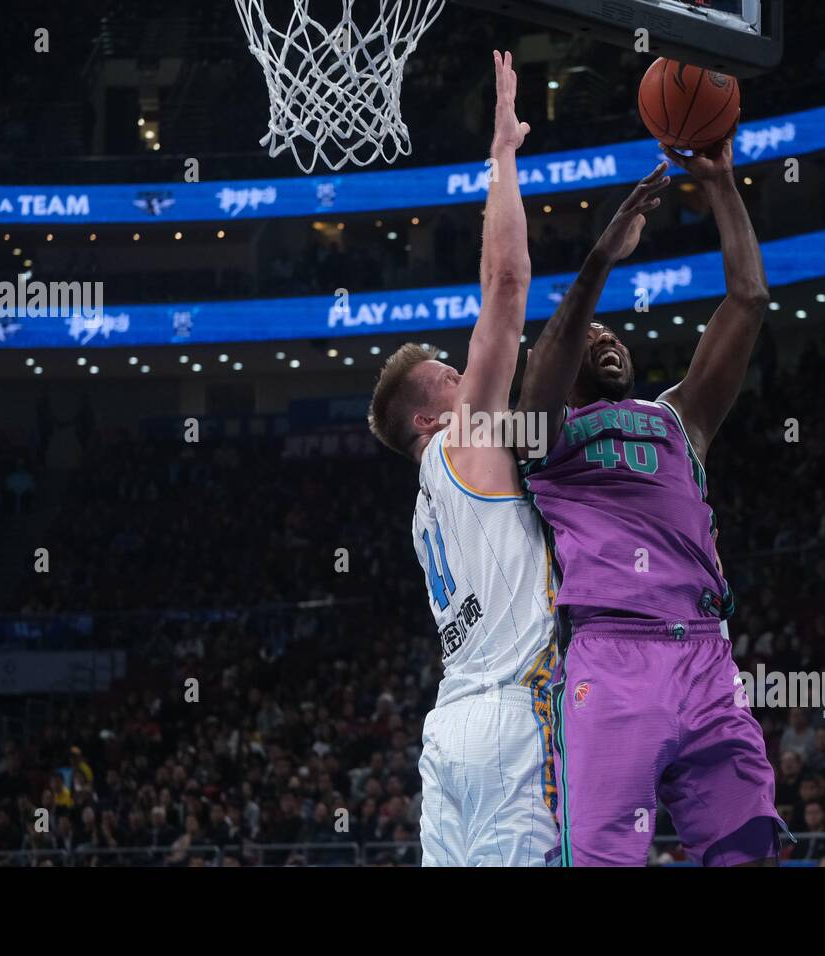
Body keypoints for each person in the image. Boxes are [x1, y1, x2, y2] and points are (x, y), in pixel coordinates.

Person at [514, 128, 787, 866]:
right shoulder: (544, 436)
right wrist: (600, 260)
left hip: (705, 651)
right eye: (591, 336)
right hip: (611, 654)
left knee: (747, 846)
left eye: (614, 336)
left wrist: (721, 184)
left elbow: (749, 297)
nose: (606, 340)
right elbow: (548, 360)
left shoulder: (679, 418)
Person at [366, 52, 556, 866]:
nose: (465, 367)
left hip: (450, 727)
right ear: (424, 412)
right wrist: (504, 153)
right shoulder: (465, 439)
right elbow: (507, 285)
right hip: (513, 718)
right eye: (449, 371)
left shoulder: (424, 504)